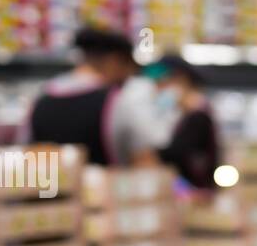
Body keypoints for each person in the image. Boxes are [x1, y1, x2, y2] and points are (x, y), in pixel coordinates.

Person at [25, 26, 159, 167]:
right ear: (115, 61)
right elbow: (146, 162)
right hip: (108, 187)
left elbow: (26, 154)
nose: (127, 78)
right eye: (129, 70)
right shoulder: (117, 102)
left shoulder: (41, 99)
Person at [148, 55, 219, 189]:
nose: (158, 90)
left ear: (181, 79)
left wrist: (150, 153)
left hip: (195, 193)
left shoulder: (198, 116)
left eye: (161, 83)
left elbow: (178, 155)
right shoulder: (186, 114)